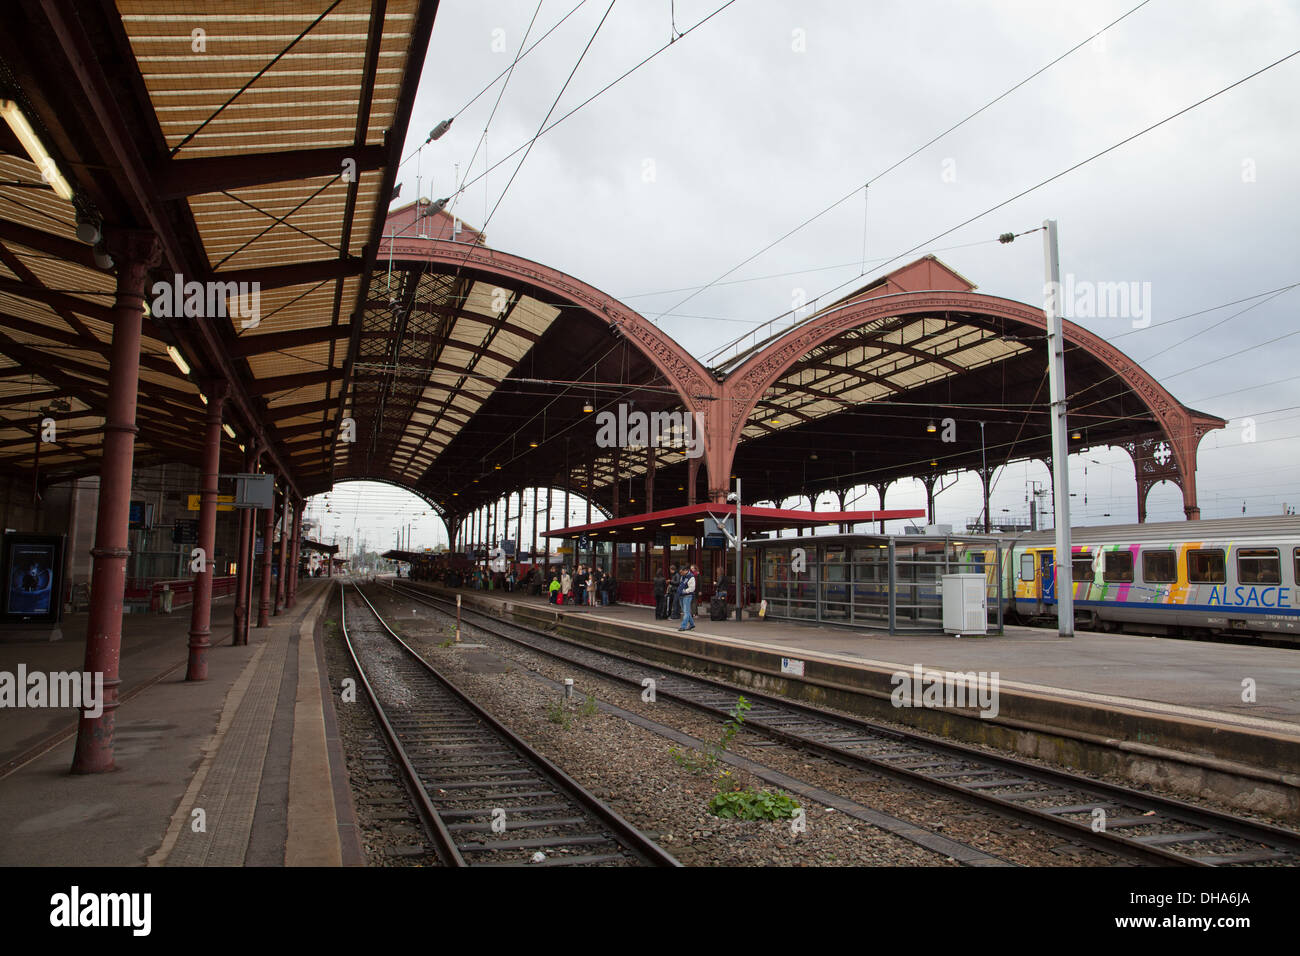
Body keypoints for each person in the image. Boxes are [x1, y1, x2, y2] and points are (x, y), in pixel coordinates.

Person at [677, 564, 697, 631]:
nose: (681, 573)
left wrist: (685, 591)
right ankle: (692, 624)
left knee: (686, 611)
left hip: (687, 596)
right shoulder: (683, 576)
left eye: (681, 572)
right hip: (681, 595)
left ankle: (683, 626)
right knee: (686, 611)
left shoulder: (691, 577)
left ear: (686, 570)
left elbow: (692, 588)